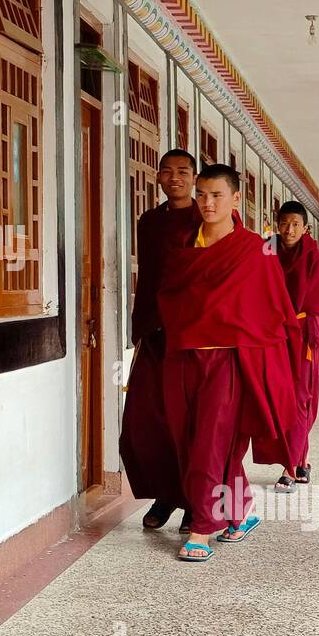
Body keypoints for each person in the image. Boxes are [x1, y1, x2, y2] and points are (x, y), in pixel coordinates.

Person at [156, 164, 299, 563]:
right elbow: (169, 299)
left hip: (230, 362)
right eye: (201, 194)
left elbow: (274, 312)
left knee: (211, 442)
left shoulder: (256, 250)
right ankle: (241, 510)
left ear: (236, 199)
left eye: (216, 195)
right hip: (184, 357)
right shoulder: (185, 245)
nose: (207, 203)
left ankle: (203, 526)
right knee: (189, 440)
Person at [118, 149, 201, 532]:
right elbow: (148, 276)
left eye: (182, 172)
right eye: (166, 172)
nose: (174, 178)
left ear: (195, 177)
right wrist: (140, 326)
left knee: (189, 419)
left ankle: (191, 500)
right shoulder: (149, 221)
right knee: (146, 418)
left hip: (193, 332)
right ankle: (165, 493)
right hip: (154, 330)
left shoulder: (206, 219)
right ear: (158, 178)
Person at [271, 202, 319, 491]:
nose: (289, 230)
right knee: (278, 401)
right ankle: (301, 461)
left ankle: (290, 465)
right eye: (284, 223)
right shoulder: (266, 252)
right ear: (276, 225)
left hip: (303, 338)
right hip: (272, 337)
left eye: (296, 224)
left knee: (300, 401)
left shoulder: (314, 260)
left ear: (306, 228)